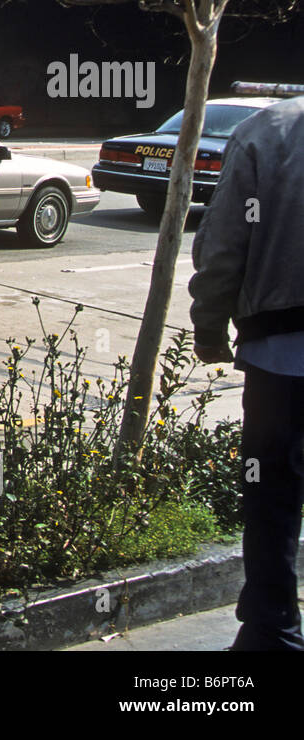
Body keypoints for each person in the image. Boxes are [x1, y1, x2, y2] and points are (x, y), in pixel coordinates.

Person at [189, 95, 304, 651]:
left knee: (272, 498)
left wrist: (209, 328)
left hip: (279, 360)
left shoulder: (265, 131)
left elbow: (224, 245)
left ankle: (272, 628)